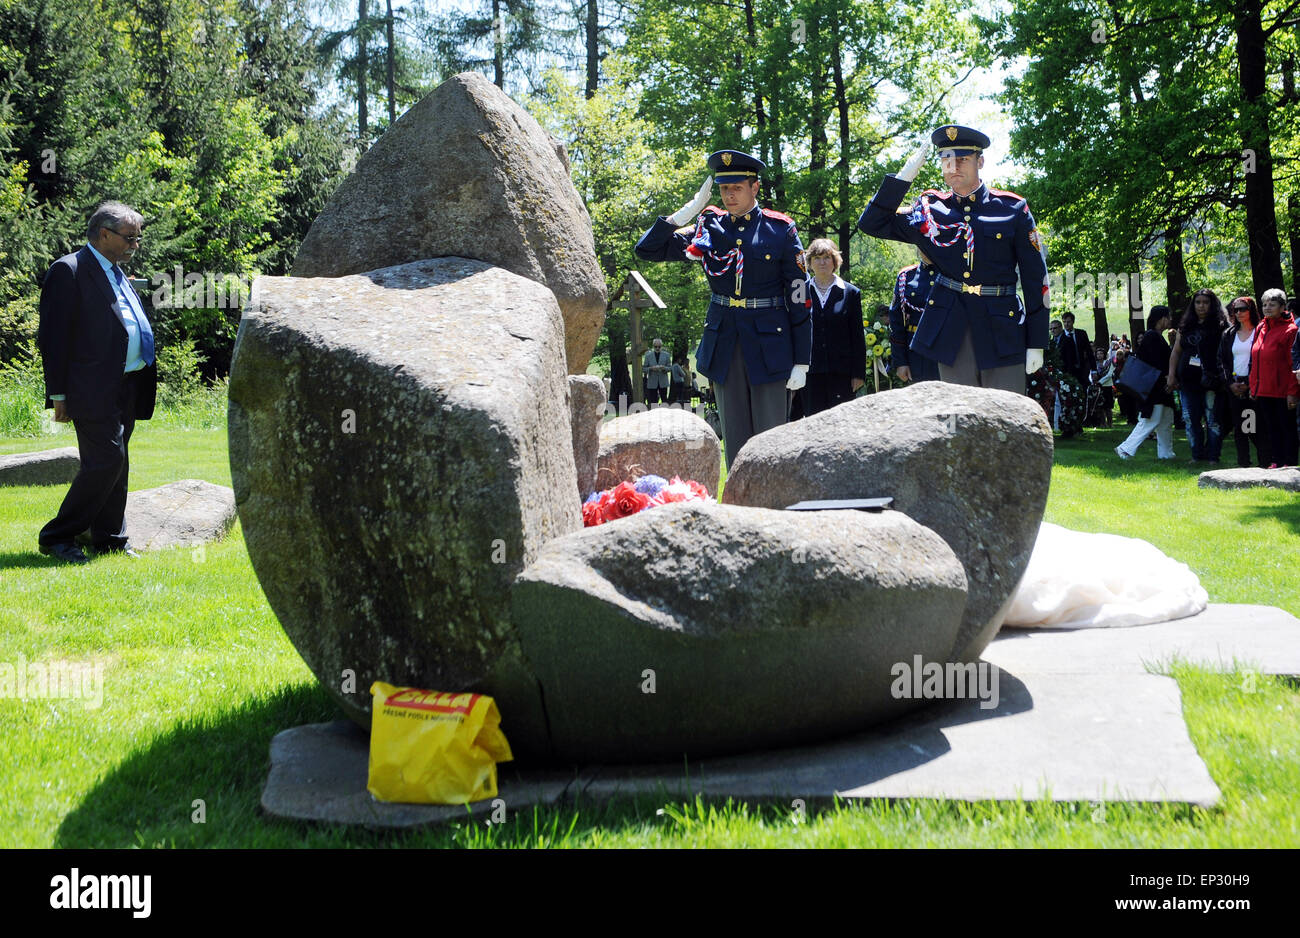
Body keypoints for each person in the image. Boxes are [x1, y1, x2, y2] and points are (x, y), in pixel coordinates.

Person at [635, 149, 810, 467]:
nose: (729, 195)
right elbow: (647, 249)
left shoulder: (780, 229)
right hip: (725, 344)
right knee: (736, 440)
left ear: (754, 187)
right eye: (724, 188)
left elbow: (799, 295)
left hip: (771, 345)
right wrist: (684, 215)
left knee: (771, 439)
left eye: (737, 187)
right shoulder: (708, 227)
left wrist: (802, 359)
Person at [857, 124, 1049, 391]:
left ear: (980, 161)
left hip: (1002, 330)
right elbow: (871, 223)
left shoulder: (1012, 209)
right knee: (957, 421)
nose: (954, 166)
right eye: (946, 159)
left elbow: (1034, 278)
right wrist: (904, 177)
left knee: (1004, 419)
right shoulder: (929, 211)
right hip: (950, 331)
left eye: (963, 159)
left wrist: (1036, 341)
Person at [37, 201, 157, 564]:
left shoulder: (117, 271)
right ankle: (57, 536)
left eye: (138, 238)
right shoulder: (68, 270)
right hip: (90, 387)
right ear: (104, 234)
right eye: (130, 238)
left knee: (118, 462)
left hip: (128, 384)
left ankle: (110, 539)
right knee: (106, 460)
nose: (135, 245)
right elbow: (53, 338)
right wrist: (58, 394)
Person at [800, 238, 865, 415]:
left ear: (835, 261)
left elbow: (857, 335)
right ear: (809, 262)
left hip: (842, 374)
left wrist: (858, 373)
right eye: (817, 258)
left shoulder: (851, 292)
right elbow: (794, 329)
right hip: (808, 374)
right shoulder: (799, 290)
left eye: (827, 257)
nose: (822, 262)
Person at [1167, 288, 1229, 463]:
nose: (1201, 306)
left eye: (1206, 302)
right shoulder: (1185, 326)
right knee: (1190, 419)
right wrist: (1171, 375)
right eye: (1198, 302)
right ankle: (1196, 456)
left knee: (1213, 421)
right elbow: (1176, 352)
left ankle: (1213, 457)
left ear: (1212, 304)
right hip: (1187, 382)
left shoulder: (1221, 326)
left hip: (1212, 381)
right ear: (1193, 305)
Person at [1115, 306, 1176, 460]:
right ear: (1161, 318)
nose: (1170, 320)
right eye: (1168, 316)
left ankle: (1166, 454)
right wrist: (1167, 377)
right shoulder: (1151, 336)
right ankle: (1125, 449)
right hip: (1154, 388)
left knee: (1165, 420)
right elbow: (1153, 363)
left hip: (1160, 387)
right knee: (1151, 419)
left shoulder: (1157, 336)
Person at [1249, 288, 1299, 468]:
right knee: (1271, 429)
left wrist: (1293, 392)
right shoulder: (1260, 328)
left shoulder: (1291, 330)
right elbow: (1255, 360)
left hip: (1283, 390)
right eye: (1264, 304)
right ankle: (1276, 460)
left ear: (1282, 307)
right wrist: (1253, 387)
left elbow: (1295, 364)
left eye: (1272, 304)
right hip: (1264, 390)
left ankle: (1290, 462)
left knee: (1286, 428)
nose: (1267, 308)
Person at [1219, 296, 1263, 467]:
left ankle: (1265, 462)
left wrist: (1250, 384)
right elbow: (1221, 361)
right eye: (1235, 310)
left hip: (1254, 385)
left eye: (1242, 309)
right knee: (1240, 427)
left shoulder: (1260, 332)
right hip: (1234, 385)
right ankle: (1244, 464)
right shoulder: (1229, 334)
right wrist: (1230, 383)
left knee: (1255, 427)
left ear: (1251, 310)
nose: (1238, 313)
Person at [888, 250, 941, 383]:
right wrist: (900, 362)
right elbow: (896, 323)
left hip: (945, 351)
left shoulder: (952, 274)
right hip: (916, 354)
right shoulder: (906, 276)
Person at [1058, 312, 1096, 386]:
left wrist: (1094, 370)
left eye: (1068, 322)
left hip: (1082, 369)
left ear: (1073, 322)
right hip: (1067, 372)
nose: (1066, 324)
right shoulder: (1060, 336)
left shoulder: (1081, 334)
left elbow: (1089, 352)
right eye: (1064, 322)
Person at [643, 337, 671, 405]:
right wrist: (651, 368)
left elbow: (670, 368)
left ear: (661, 346)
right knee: (653, 402)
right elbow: (644, 369)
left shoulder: (666, 355)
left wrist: (664, 368)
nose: (657, 348)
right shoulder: (648, 356)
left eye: (659, 346)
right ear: (653, 346)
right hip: (652, 382)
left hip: (663, 381)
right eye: (656, 347)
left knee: (664, 400)